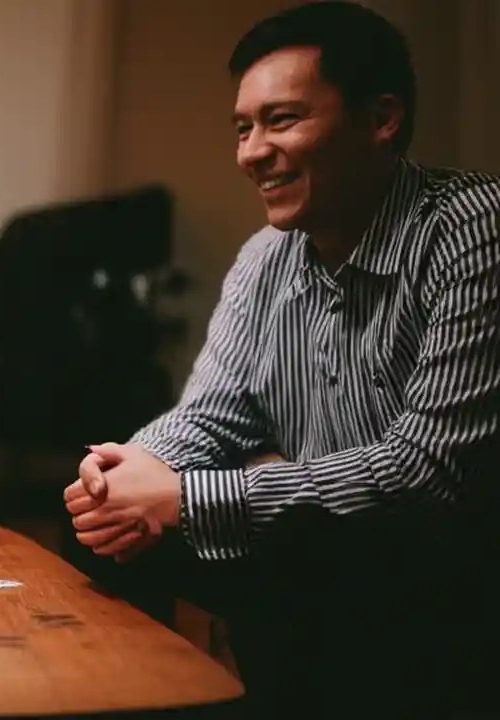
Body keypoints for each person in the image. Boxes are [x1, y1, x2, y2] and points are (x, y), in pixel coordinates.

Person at [61, 2, 500, 716]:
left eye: (283, 120)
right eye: (243, 127)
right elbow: (212, 414)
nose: (251, 152)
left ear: (382, 119)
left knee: (306, 553)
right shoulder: (266, 256)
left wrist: (184, 498)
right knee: (107, 531)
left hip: (444, 565)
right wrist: (126, 471)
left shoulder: (473, 230)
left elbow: (426, 473)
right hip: (317, 541)